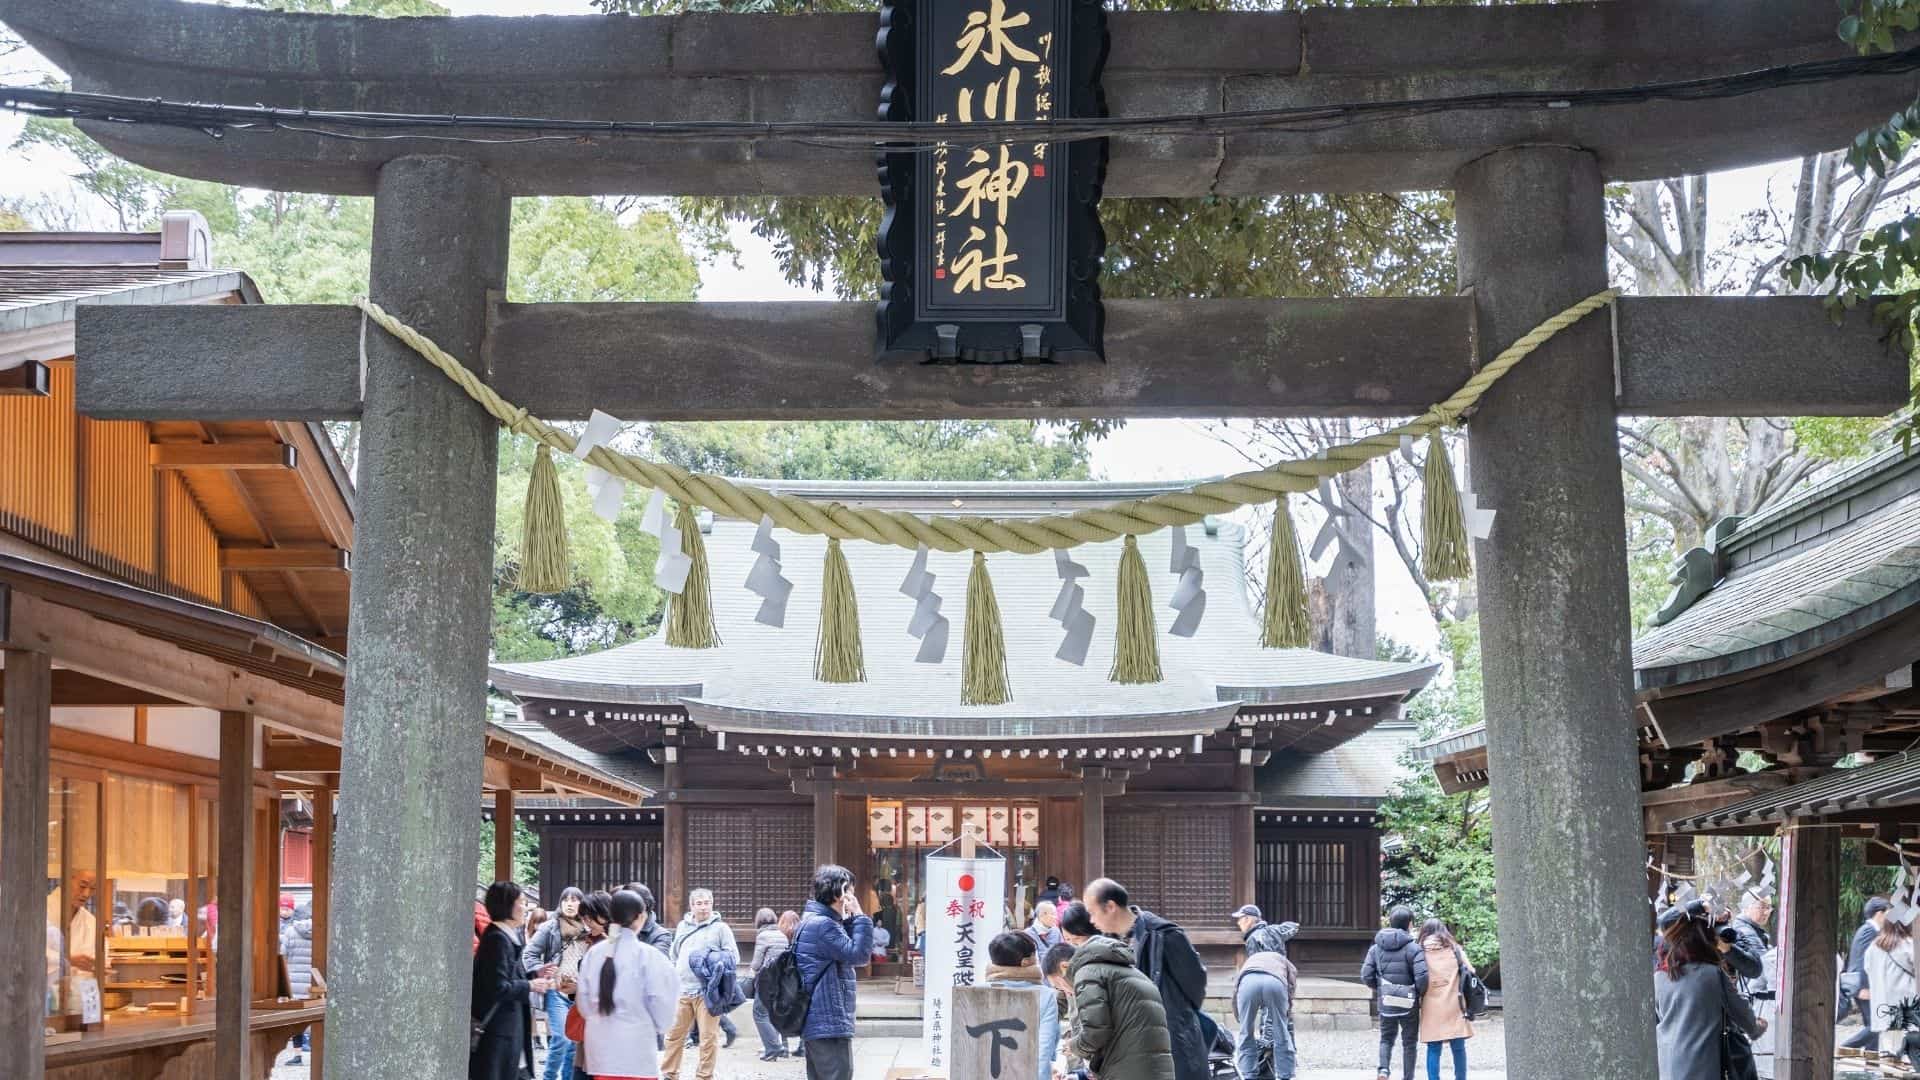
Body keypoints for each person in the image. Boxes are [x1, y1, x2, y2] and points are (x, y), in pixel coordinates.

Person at [1085, 878, 1208, 1080]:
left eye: (1092, 912)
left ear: (1110, 907)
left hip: (1171, 1039)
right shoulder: (1108, 945)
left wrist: (1177, 1014)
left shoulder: (1163, 935)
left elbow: (1195, 983)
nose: (1091, 920)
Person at [576, 889, 679, 1080]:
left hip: (601, 1049)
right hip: (636, 1048)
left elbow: (584, 1005)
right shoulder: (649, 956)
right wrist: (657, 1027)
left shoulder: (594, 953)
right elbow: (663, 1006)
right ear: (640, 917)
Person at [1655, 906, 1763, 1080]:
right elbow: (1741, 1012)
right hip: (1705, 1066)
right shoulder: (1711, 973)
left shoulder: (1659, 977)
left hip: (1669, 1066)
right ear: (1705, 941)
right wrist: (1756, 1027)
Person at [794, 864, 874, 1080]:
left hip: (820, 1020)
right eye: (850, 890)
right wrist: (859, 915)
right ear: (840, 892)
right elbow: (859, 955)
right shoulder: (823, 925)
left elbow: (843, 951)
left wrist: (848, 920)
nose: (853, 896)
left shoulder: (817, 921)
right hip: (827, 1021)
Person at [1068, 927, 1175, 1080]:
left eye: (1058, 985)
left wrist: (1073, 1046)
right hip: (1156, 1070)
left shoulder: (1087, 973)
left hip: (1129, 1070)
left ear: (1063, 967)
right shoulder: (1136, 974)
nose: (1067, 991)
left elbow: (1096, 1032)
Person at [471, 881, 552, 1080]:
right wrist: (531, 985)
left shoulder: (503, 935)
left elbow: (507, 978)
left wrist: (534, 975)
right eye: (522, 902)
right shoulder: (498, 939)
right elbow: (498, 987)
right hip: (499, 1031)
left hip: (505, 1029)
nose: (526, 908)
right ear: (507, 905)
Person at [659, 888, 736, 1080]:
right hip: (682, 989)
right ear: (692, 906)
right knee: (674, 1035)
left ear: (712, 904)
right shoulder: (682, 927)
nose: (703, 907)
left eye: (707, 902)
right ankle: (669, 1073)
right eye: (699, 903)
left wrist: (713, 959)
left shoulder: (721, 928)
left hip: (707, 992)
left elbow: (733, 956)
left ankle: (704, 1076)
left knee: (708, 1038)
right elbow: (674, 955)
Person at [524, 887, 590, 1080]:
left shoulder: (588, 929)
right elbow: (529, 954)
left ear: (582, 903)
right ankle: (549, 1076)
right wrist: (541, 968)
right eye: (566, 900)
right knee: (561, 1038)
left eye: (574, 900)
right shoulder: (550, 927)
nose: (570, 904)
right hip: (556, 990)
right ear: (560, 903)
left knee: (573, 1042)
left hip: (579, 992)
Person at [1361, 906, 1429, 1080]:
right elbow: (1422, 977)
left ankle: (1383, 1070)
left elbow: (1366, 975)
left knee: (1386, 1039)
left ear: (1390, 922)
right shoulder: (1413, 948)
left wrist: (1381, 988)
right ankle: (1408, 1077)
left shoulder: (1376, 948)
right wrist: (1418, 993)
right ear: (1409, 924)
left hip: (1386, 1000)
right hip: (1409, 1002)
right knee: (1409, 1043)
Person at [985, 931, 1061, 1080]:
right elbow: (1044, 1048)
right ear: (1026, 962)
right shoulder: (1046, 995)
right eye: (1035, 955)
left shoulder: (975, 992)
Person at [1233, 933, 1297, 1080]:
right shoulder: (1282, 959)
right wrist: (1287, 1009)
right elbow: (1291, 983)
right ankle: (1285, 1074)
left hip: (1248, 983)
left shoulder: (1251, 959)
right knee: (1281, 1030)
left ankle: (1248, 1073)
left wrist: (1239, 1015)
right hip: (1275, 982)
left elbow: (1236, 987)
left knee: (1246, 1031)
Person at [1415, 919, 1472, 1080]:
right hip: (1455, 1002)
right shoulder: (1455, 949)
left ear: (1424, 932)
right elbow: (1470, 971)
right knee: (1458, 1046)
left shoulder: (1419, 951)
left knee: (1433, 1047)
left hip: (1430, 1004)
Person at [1840, 897, 1890, 1053]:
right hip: (1863, 985)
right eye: (1888, 913)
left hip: (1865, 984)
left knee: (1874, 1024)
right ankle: (1845, 1047)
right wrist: (1864, 987)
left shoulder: (1870, 930)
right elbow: (1861, 960)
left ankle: (1871, 1060)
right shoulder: (1869, 930)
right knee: (1877, 1025)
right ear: (1880, 913)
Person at [1866, 915, 1917, 1068]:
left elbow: (1868, 969)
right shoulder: (1908, 945)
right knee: (1907, 1053)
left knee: (1888, 1050)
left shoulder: (1873, 947)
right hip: (1905, 1003)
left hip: (1882, 1005)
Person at [750, 907, 794, 1061]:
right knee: (774, 1014)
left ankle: (773, 1048)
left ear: (759, 921)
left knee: (759, 1013)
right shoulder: (781, 935)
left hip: (766, 981)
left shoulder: (763, 936)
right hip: (780, 980)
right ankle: (781, 1047)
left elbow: (756, 964)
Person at [47, 871, 98, 973]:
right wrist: (68, 960)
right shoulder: (39, 911)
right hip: (41, 986)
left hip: (78, 986)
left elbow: (96, 961)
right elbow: (30, 953)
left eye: (92, 889)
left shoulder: (91, 921)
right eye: (82, 886)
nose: (86, 894)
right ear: (66, 881)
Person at [1233, 905, 1300, 960]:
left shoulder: (1253, 938)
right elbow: (1293, 926)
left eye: (1240, 919)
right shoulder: (1272, 930)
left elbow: (1255, 963)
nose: (1238, 923)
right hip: (1280, 970)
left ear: (1248, 919)